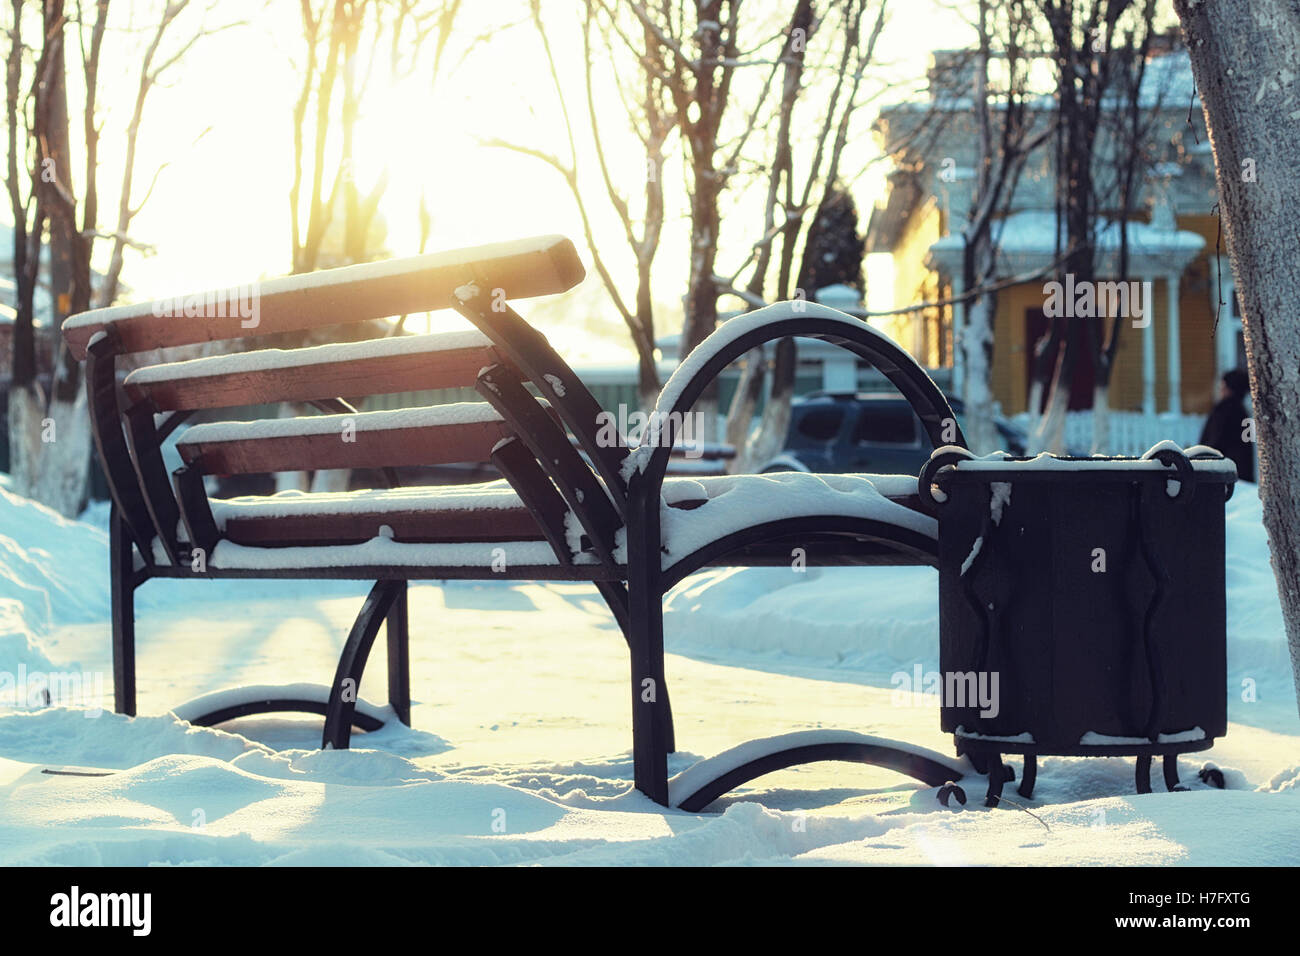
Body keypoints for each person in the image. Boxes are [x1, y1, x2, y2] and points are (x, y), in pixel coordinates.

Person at [1199, 368, 1254, 482]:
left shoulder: (1224, 410)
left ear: (1230, 388)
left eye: (1223, 385)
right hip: (1241, 472)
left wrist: (1200, 457)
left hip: (1222, 473)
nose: (1220, 388)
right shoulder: (1243, 412)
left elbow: (1215, 442)